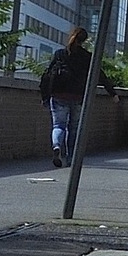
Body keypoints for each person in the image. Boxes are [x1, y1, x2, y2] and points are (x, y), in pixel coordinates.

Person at [39, 28, 93, 167]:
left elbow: (48, 75)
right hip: (77, 96)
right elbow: (98, 75)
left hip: (58, 95)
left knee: (58, 125)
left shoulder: (60, 54)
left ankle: (56, 145)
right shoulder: (87, 56)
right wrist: (112, 92)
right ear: (84, 40)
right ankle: (70, 158)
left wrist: (45, 96)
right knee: (73, 128)